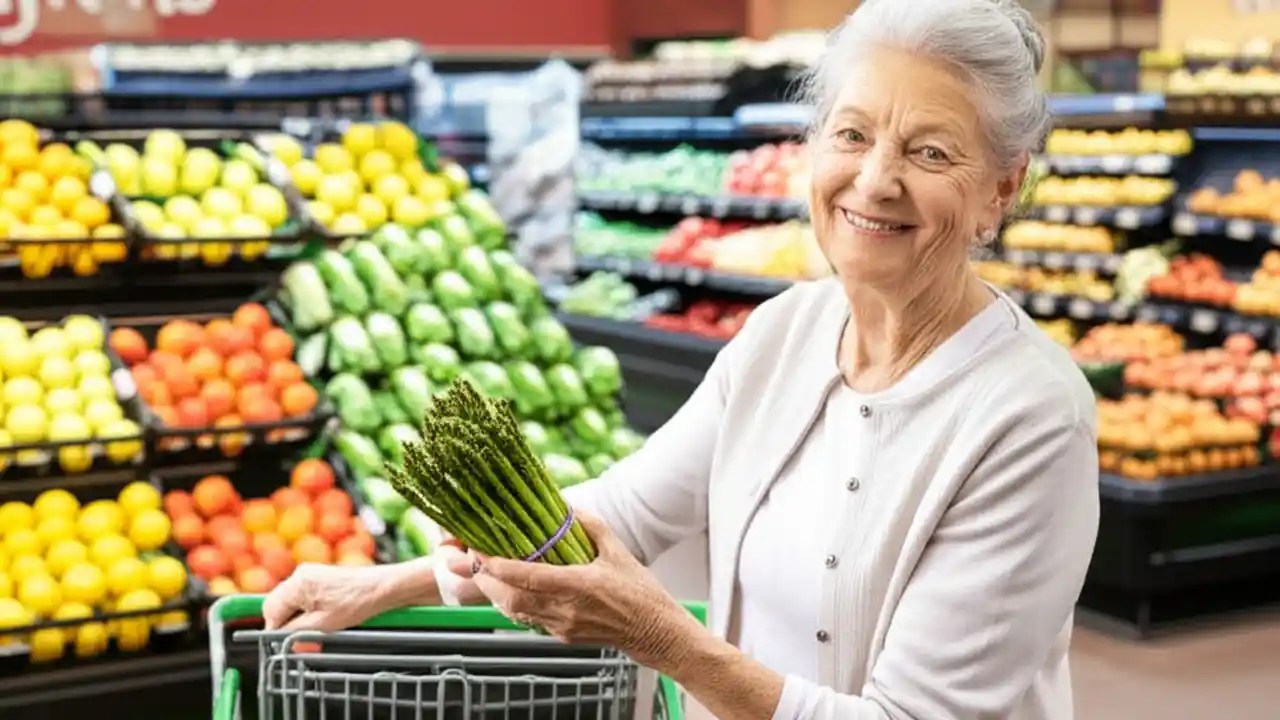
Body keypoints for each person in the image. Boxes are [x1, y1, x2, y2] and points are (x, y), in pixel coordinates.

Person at [264, 0, 1100, 717]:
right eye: (851, 134)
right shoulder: (785, 333)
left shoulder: (1028, 416)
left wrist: (657, 636)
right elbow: (624, 510)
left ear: (1001, 188)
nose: (874, 181)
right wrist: (386, 586)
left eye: (929, 152)